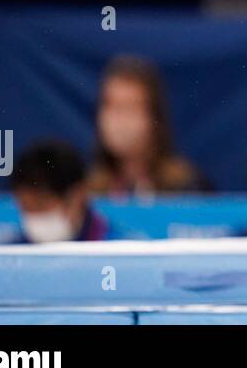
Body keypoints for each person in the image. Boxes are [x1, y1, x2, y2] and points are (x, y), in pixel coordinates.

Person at [85, 55, 208, 197]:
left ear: (154, 117)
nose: (119, 120)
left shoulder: (186, 187)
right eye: (110, 106)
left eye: (130, 107)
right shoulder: (87, 191)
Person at [12, 141, 114, 243]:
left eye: (40, 204)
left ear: (77, 195)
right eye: (26, 207)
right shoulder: (11, 250)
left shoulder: (115, 248)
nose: (34, 215)